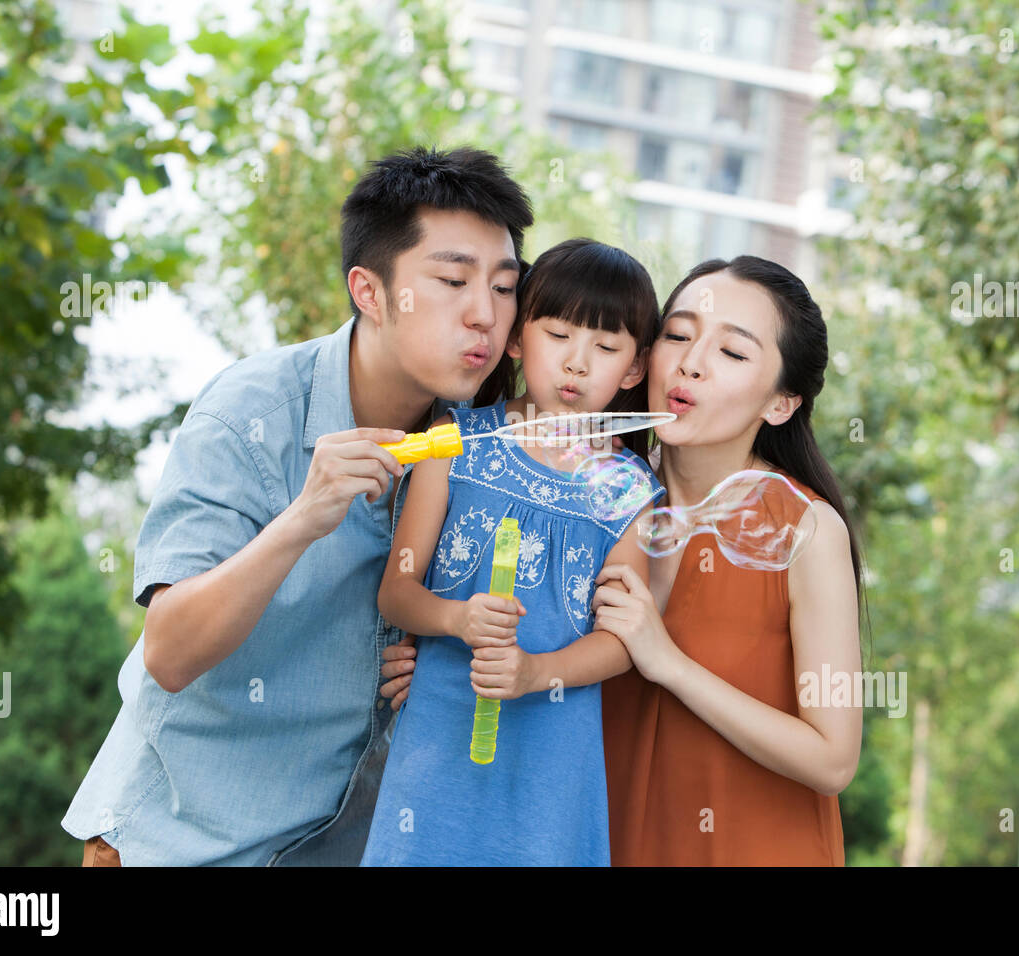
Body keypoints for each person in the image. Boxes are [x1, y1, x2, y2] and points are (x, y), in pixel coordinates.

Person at [62, 145, 533, 865]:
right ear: (371, 293)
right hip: (177, 845)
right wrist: (305, 517)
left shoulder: (483, 446)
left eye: (504, 289)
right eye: (451, 281)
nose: (484, 317)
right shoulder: (248, 413)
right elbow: (169, 651)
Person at [380, 256, 864, 866]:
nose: (691, 362)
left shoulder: (806, 530)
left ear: (782, 403)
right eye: (679, 335)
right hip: (594, 838)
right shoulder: (604, 498)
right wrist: (434, 646)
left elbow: (833, 761)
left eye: (733, 353)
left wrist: (666, 662)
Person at [360, 239, 666, 866]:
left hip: (555, 750)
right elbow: (398, 590)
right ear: (518, 338)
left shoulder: (631, 491)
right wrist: (455, 618)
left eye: (606, 349)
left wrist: (533, 674)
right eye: (558, 335)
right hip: (441, 732)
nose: (577, 364)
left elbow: (620, 642)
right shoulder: (454, 443)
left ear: (634, 370)